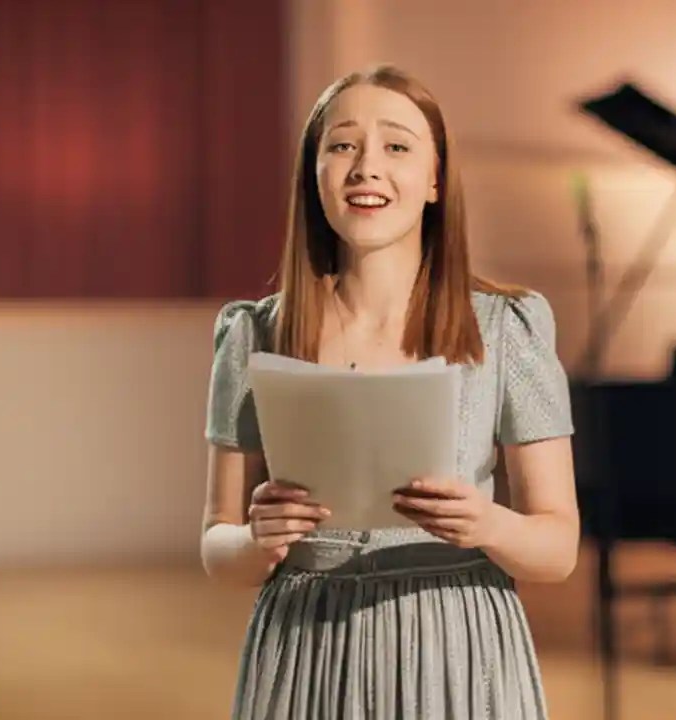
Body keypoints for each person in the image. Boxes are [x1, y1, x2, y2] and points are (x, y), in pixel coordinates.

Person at [199, 63, 580, 719]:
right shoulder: (254, 333)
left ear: (434, 180)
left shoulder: (506, 328)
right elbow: (217, 546)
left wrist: (485, 522)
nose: (366, 166)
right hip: (305, 641)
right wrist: (257, 539)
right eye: (342, 145)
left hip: (457, 640)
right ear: (313, 176)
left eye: (397, 146)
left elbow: (559, 548)